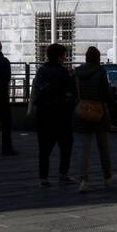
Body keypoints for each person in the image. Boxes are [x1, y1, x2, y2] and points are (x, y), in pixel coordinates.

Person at [32, 43, 76, 187]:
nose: (65, 58)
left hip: (43, 115)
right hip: (61, 115)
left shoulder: (41, 71)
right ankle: (63, 174)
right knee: (66, 146)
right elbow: (70, 92)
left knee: (44, 149)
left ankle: (43, 178)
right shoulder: (62, 72)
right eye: (64, 55)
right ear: (58, 57)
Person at [73, 46, 115, 192]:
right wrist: (113, 93)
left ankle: (84, 180)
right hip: (99, 113)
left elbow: (73, 92)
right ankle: (107, 177)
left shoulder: (77, 73)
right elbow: (105, 94)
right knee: (103, 147)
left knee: (84, 149)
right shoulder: (100, 72)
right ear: (98, 58)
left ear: (86, 58)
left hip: (83, 113)